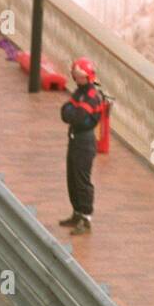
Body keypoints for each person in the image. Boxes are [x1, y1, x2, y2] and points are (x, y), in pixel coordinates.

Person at [59, 57, 104, 236]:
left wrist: (73, 113)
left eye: (79, 75)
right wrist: (73, 113)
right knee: (72, 177)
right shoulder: (79, 93)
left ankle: (85, 218)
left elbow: (76, 116)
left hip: (84, 141)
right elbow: (66, 112)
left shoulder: (92, 96)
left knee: (82, 180)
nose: (76, 78)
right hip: (75, 138)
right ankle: (77, 213)